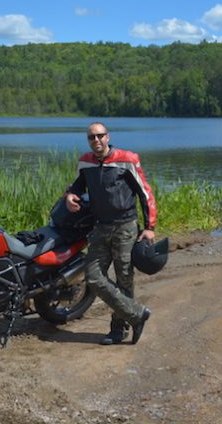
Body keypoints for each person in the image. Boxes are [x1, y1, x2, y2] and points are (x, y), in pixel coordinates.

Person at [65, 122, 156, 345]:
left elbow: (145, 193)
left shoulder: (127, 159)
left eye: (100, 136)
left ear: (108, 137)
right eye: (91, 137)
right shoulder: (85, 162)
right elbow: (78, 186)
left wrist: (149, 227)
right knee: (93, 277)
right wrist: (70, 195)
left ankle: (118, 329)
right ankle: (136, 315)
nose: (96, 141)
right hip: (100, 227)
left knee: (124, 279)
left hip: (125, 227)